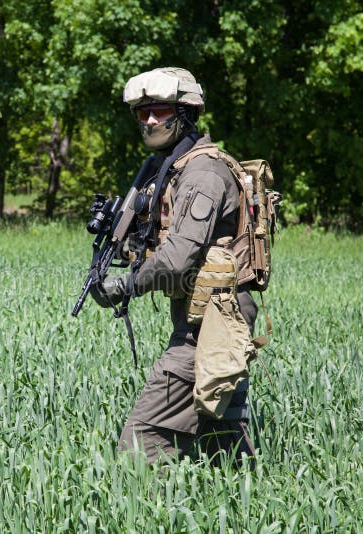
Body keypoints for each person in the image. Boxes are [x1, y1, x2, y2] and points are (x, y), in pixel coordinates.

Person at [89, 67, 258, 466]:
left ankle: (140, 503)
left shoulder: (202, 173)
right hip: (209, 314)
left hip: (212, 323)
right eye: (142, 112)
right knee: (223, 448)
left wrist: (125, 285)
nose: (149, 120)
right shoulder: (176, 167)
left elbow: (178, 258)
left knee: (141, 446)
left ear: (185, 113)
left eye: (160, 111)